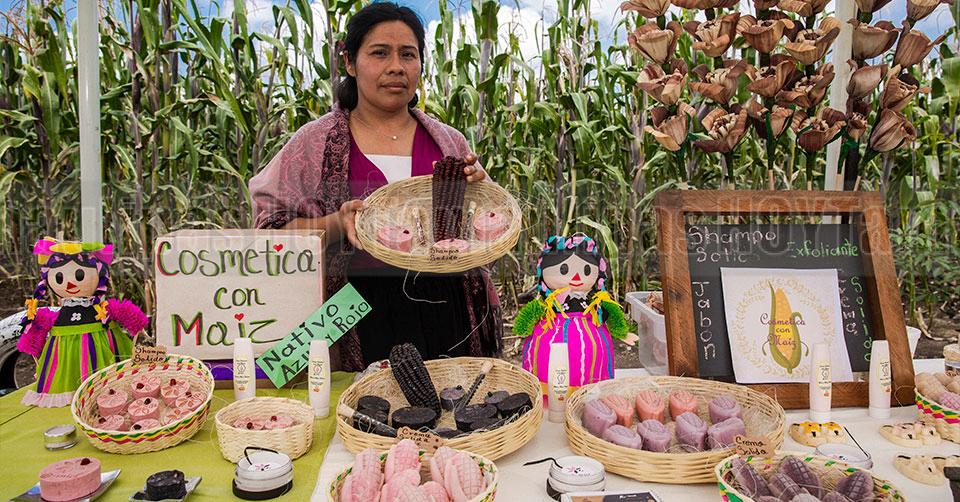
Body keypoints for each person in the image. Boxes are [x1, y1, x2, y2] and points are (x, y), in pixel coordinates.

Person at [249, 2, 502, 371]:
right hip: (354, 314)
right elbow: (269, 234)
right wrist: (336, 223)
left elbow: (491, 235)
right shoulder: (314, 143)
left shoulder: (449, 143)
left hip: (447, 311)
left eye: (408, 54)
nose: (396, 66)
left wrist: (479, 200)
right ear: (350, 63)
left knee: (455, 403)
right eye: (380, 53)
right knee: (363, 406)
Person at [17, 238, 148, 407]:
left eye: (79, 276)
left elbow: (125, 312)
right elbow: (35, 332)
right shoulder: (53, 317)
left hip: (101, 351)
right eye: (59, 278)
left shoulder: (103, 310)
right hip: (65, 360)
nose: (70, 283)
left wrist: (138, 325)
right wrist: (32, 340)